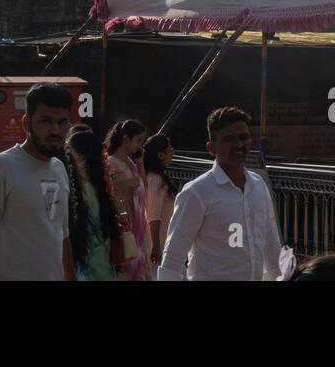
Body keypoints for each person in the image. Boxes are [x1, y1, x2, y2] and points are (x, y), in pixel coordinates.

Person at [157, 106, 284, 281]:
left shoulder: (258, 186)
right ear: (211, 148)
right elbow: (172, 259)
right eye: (229, 139)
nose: (238, 145)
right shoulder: (197, 192)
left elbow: (272, 248)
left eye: (243, 137)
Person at [0, 83, 76, 281]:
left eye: (62, 122)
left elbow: (62, 236)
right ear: (26, 123)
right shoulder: (0, 168)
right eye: (46, 121)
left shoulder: (59, 169)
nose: (55, 130)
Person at [66, 128, 121, 280]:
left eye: (70, 153)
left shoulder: (79, 188)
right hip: (103, 260)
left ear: (81, 156)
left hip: (88, 264)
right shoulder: (101, 186)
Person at [107, 119, 151, 280]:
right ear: (125, 139)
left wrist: (140, 164)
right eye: (138, 140)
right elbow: (110, 188)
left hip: (135, 221)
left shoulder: (131, 162)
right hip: (122, 221)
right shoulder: (112, 162)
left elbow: (144, 186)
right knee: (125, 268)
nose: (140, 146)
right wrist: (127, 182)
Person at [143, 134, 178, 269]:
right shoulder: (155, 179)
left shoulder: (159, 177)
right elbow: (154, 215)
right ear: (160, 155)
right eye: (169, 149)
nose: (172, 152)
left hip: (165, 239)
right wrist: (156, 246)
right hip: (160, 241)